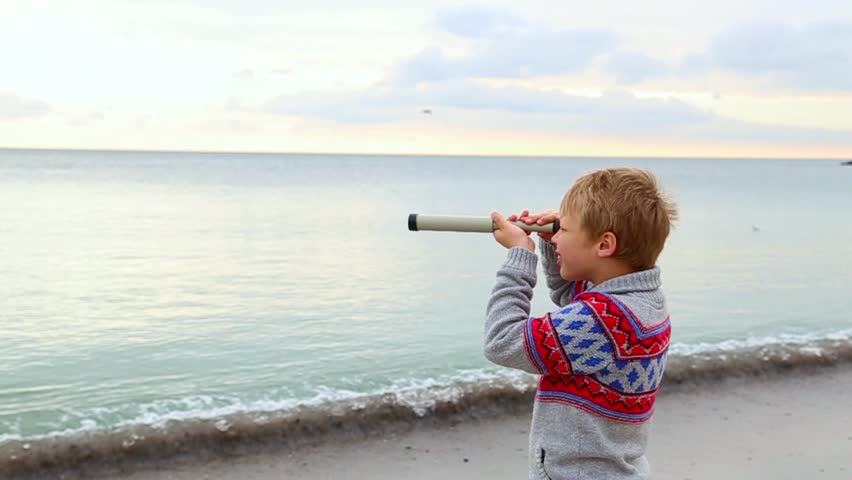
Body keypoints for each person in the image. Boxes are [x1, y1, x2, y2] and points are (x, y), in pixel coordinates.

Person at [484, 167, 678, 479]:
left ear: (604, 245)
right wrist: (552, 245)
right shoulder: (641, 303)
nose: (557, 235)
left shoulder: (601, 320)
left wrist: (520, 259)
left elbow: (503, 342)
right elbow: (574, 303)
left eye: (564, 230)